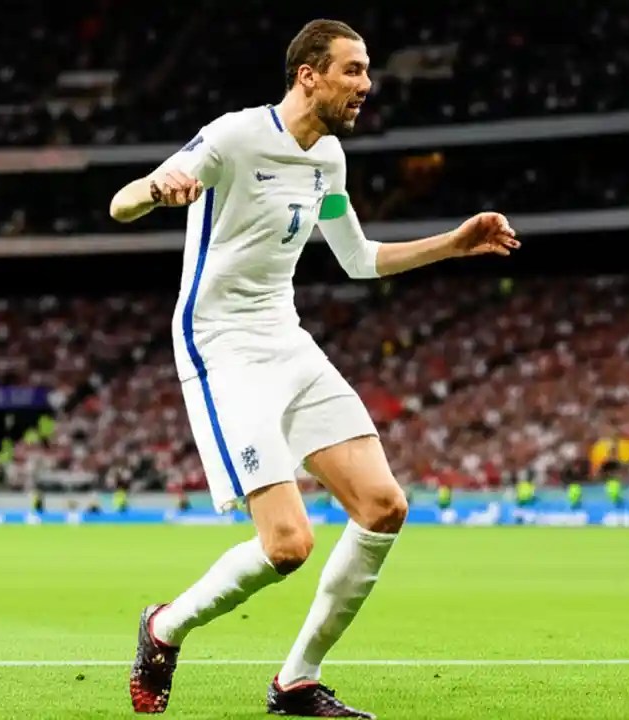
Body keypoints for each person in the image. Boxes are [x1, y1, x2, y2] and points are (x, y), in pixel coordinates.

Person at [109, 19, 519, 718]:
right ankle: (163, 627)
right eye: (353, 71)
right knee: (289, 544)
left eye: (366, 71)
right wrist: (159, 188)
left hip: (287, 340)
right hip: (222, 347)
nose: (367, 84)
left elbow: (358, 259)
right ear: (309, 74)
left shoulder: (328, 158)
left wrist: (453, 243)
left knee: (384, 507)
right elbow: (122, 203)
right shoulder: (236, 136)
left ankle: (296, 680)